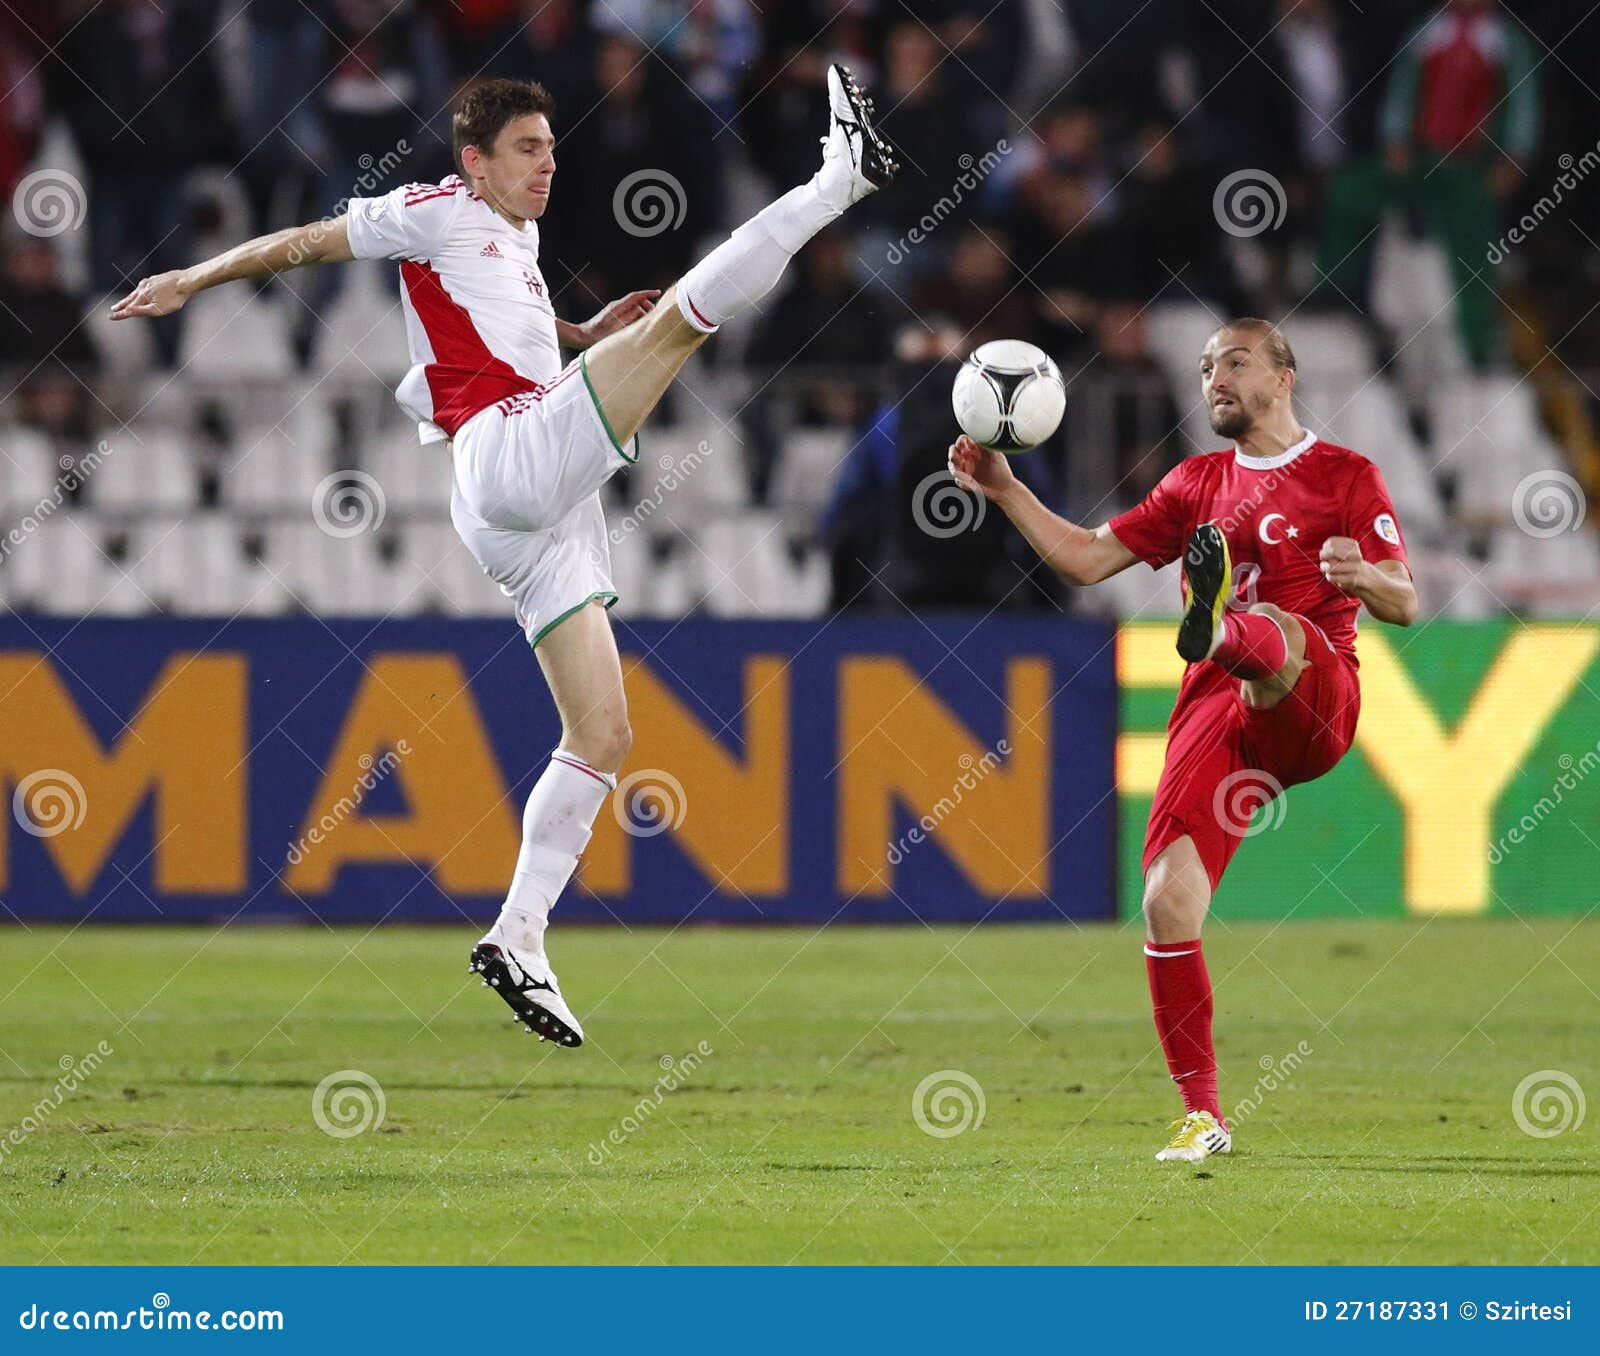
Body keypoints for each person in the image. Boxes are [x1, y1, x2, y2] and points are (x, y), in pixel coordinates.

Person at [110, 68, 897, 1049]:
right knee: (683, 322)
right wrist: (190, 279)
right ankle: (836, 183)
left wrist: (579, 333)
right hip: (508, 453)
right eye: (527, 149)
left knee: (603, 733)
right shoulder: (431, 209)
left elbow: (501, 319)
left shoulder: (513, 237)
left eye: (552, 148)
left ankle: (519, 935)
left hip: (531, 513)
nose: (548, 165)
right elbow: (305, 241)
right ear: (474, 161)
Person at [948, 319, 1418, 1161]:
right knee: (1167, 900)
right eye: (1204, 367)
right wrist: (1007, 489)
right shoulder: (1194, 483)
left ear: (1284, 377)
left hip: (1315, 699)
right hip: (1217, 710)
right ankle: (1203, 1116)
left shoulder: (1346, 475)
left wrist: (1365, 578)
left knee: (1278, 626)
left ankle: (1220, 625)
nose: (1215, 379)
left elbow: (1405, 601)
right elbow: (1087, 559)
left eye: (1235, 362)